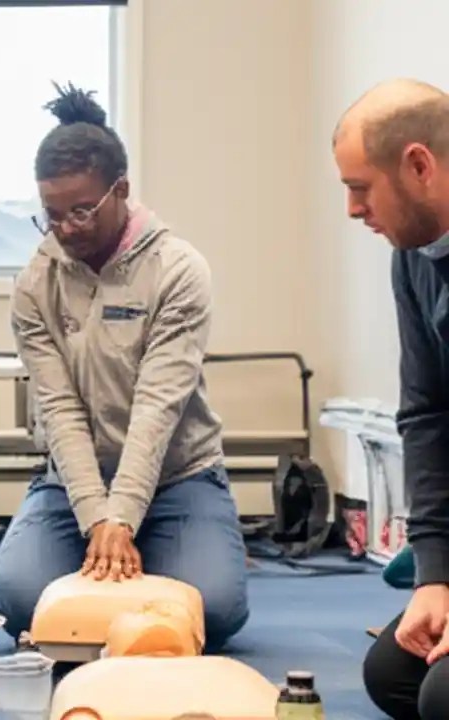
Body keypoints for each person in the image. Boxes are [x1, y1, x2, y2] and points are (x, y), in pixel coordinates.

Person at [0, 83, 249, 650]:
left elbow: (159, 406)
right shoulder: (37, 281)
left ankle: (156, 550)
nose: (66, 229)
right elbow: (58, 408)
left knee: (218, 610)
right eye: (51, 215)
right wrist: (98, 520)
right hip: (73, 483)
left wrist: (124, 517)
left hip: (180, 478)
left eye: (82, 211)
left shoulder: (178, 270)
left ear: (121, 192)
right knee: (18, 603)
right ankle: (130, 569)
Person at [333, 77, 449, 720]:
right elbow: (428, 415)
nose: (353, 210)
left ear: (418, 165)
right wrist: (435, 575)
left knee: (440, 697)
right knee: (394, 673)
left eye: (359, 188)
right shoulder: (414, 257)